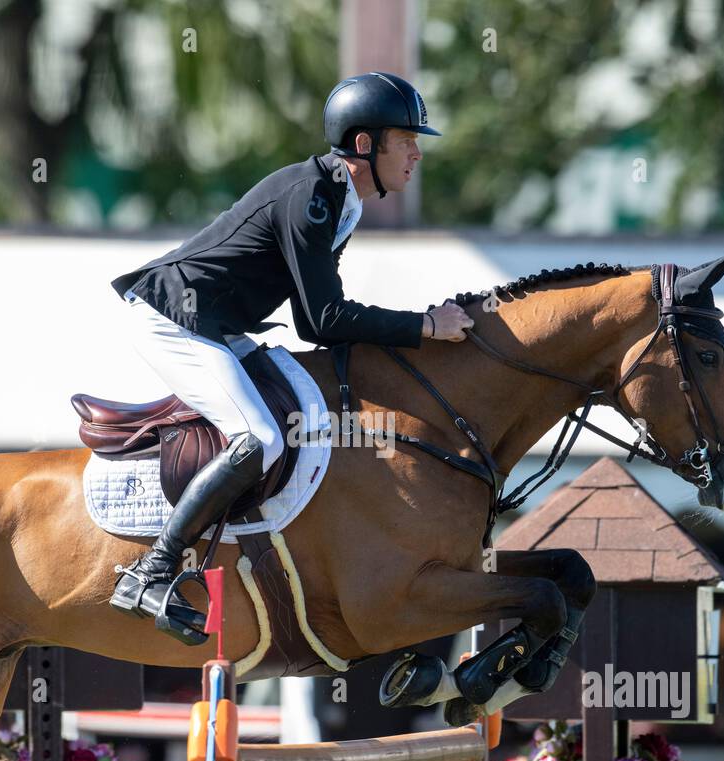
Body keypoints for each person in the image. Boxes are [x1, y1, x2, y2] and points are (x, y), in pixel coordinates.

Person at [107, 72, 473, 641]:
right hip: (174, 321)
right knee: (261, 439)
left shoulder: (338, 198)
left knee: (307, 415)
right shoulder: (313, 198)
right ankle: (151, 570)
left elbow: (312, 321)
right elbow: (324, 321)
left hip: (218, 324)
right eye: (406, 140)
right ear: (363, 146)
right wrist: (426, 325)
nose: (417, 154)